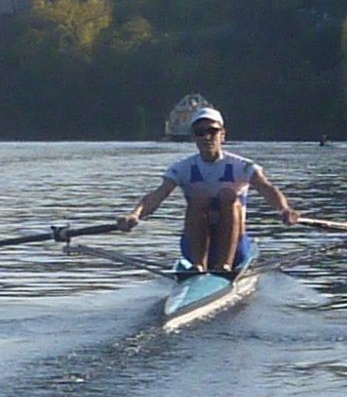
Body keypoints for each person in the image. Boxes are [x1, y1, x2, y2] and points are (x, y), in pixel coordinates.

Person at [117, 107, 298, 275]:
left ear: (222, 135)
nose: (207, 137)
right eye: (200, 132)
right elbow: (158, 195)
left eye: (212, 131)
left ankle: (224, 266)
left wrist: (284, 209)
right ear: (193, 137)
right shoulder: (182, 168)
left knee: (228, 195)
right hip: (193, 246)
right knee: (199, 198)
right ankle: (198, 266)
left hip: (236, 248)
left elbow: (267, 188)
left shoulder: (243, 166)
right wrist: (135, 214)